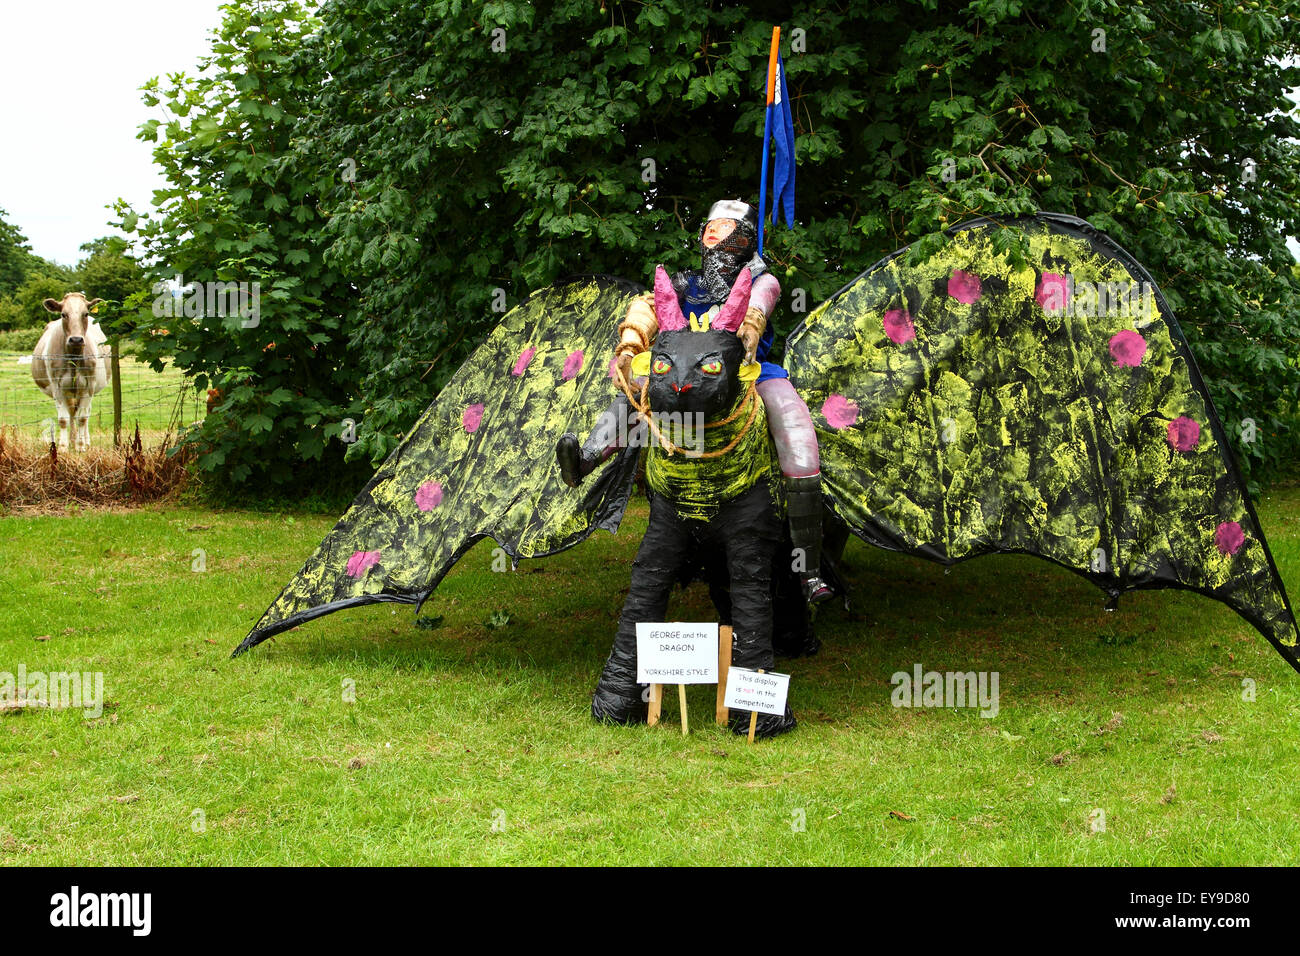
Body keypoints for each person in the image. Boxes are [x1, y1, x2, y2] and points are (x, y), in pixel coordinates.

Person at [556, 199, 831, 604]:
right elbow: (648, 308)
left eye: (723, 226)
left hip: (748, 373)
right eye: (709, 224)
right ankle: (587, 457)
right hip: (683, 375)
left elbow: (760, 305)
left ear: (743, 237)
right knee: (639, 394)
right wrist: (630, 348)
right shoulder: (686, 283)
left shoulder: (761, 279)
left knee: (800, 441)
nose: (712, 231)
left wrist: (751, 327)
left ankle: (809, 568)